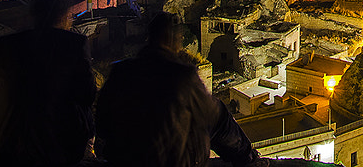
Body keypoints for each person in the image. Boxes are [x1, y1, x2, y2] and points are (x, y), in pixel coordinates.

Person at [95, 12, 262, 167]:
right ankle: (249, 161)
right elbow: (215, 118)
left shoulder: (121, 72)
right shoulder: (182, 76)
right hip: (172, 162)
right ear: (172, 40)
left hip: (124, 160)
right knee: (218, 115)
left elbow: (102, 124)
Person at [0, 0, 96, 167]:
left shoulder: (6, 45)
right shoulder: (74, 44)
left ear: (32, 14)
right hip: (58, 150)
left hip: (8, 149)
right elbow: (87, 94)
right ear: (63, 15)